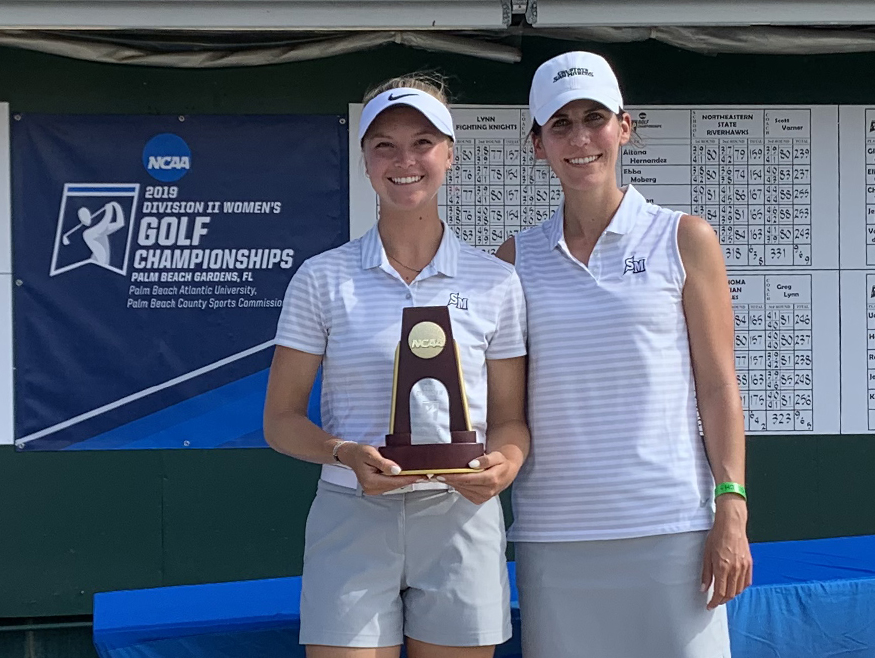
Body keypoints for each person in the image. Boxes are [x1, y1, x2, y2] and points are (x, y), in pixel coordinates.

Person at [496, 51, 752, 658]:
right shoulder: (514, 258)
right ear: (538, 145)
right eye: (560, 124)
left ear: (624, 127)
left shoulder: (684, 237)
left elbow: (718, 388)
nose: (580, 138)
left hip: (671, 530)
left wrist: (731, 507)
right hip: (555, 536)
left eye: (595, 118)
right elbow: (503, 404)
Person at [264, 75, 529, 658]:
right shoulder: (322, 277)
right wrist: (343, 453)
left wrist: (504, 465)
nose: (404, 160)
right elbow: (281, 420)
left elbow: (510, 420)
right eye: (385, 144)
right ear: (364, 159)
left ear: (450, 155)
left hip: (462, 512)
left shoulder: (497, 281)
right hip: (352, 511)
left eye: (423, 142)